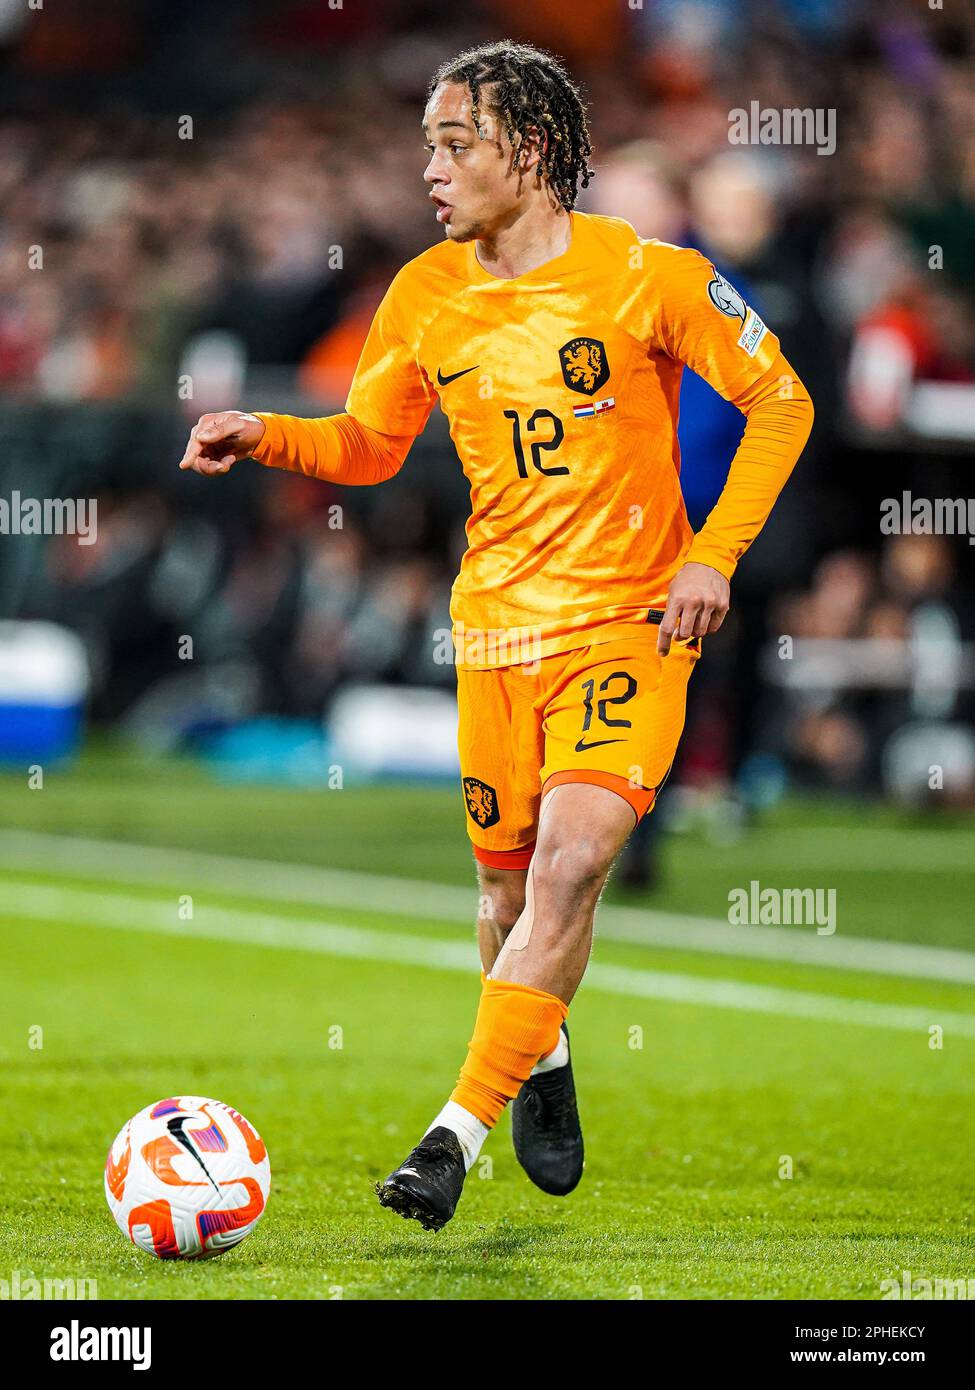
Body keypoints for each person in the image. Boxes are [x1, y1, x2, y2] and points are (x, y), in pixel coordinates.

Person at [179, 40, 814, 1231]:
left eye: (454, 143)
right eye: (428, 142)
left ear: (527, 151)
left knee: (574, 863)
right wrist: (263, 430)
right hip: (494, 635)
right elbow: (368, 446)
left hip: (627, 626)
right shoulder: (425, 294)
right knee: (504, 889)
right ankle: (545, 1051)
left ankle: (448, 1138)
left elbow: (783, 397)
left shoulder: (651, 276)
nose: (430, 168)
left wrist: (711, 552)